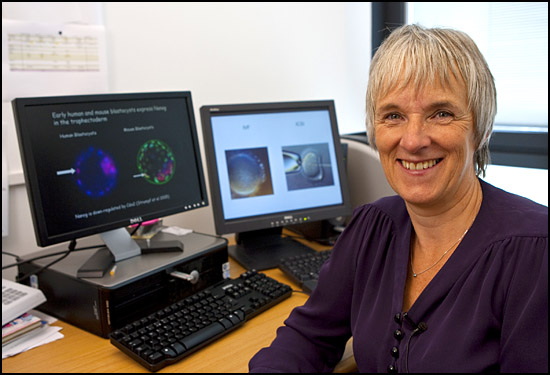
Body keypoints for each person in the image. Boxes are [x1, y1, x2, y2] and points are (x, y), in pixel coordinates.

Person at [249, 24, 548, 373]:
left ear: (480, 128)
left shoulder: (534, 253)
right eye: (393, 116)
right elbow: (307, 337)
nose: (413, 140)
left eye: (441, 113)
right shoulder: (371, 228)